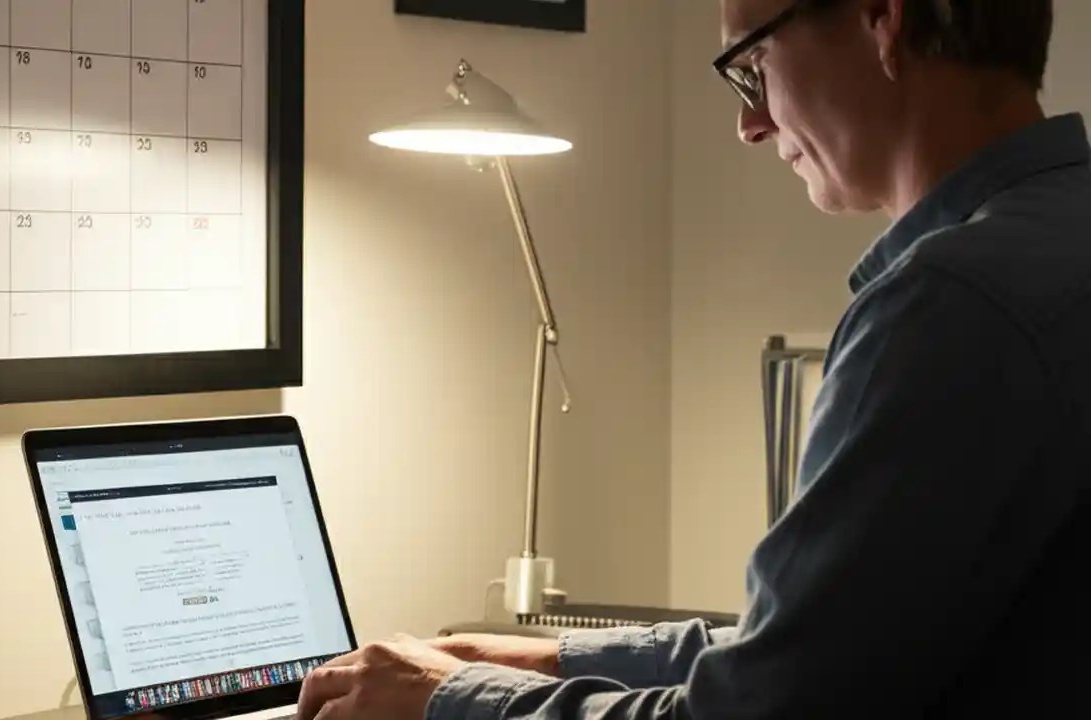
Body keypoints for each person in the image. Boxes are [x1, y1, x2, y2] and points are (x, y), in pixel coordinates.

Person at [296, 0, 1091, 717]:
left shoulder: (948, 307)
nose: (750, 124)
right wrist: (538, 655)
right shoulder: (1056, 239)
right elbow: (816, 646)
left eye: (752, 67)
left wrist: (451, 701)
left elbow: (762, 712)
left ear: (883, 19)